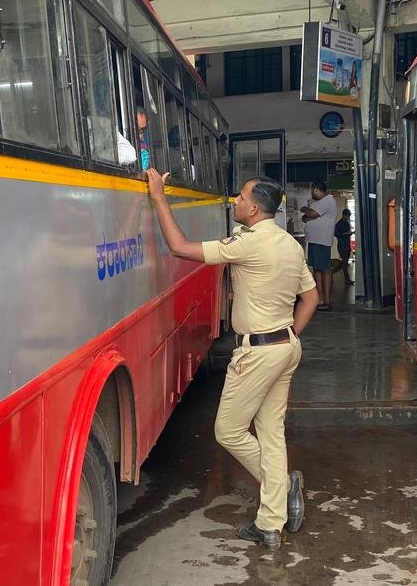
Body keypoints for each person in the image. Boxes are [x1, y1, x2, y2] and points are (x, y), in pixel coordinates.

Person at [146, 168, 319, 551]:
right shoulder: (290, 244)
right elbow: (311, 299)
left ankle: (282, 485)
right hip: (285, 347)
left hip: (258, 353)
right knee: (270, 433)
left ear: (255, 209)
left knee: (228, 430)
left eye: (241, 197)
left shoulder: (249, 242)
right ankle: (270, 525)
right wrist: (288, 335)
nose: (235, 202)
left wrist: (159, 197)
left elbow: (180, 248)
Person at [300, 181, 336, 310]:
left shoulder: (328, 200)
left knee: (325, 269)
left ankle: (327, 301)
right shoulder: (317, 203)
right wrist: (309, 214)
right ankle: (319, 299)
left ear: (316, 189)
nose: (311, 193)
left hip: (322, 241)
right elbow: (304, 218)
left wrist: (304, 209)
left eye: (312, 191)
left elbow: (311, 214)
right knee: (317, 269)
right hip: (314, 240)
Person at [331, 209, 354, 285]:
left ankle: (332, 272)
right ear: (343, 215)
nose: (348, 218)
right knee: (344, 263)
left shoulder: (346, 223)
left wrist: (350, 233)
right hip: (342, 245)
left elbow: (347, 233)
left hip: (347, 244)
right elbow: (336, 234)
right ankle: (347, 279)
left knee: (344, 263)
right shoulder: (339, 224)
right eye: (347, 216)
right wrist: (345, 233)